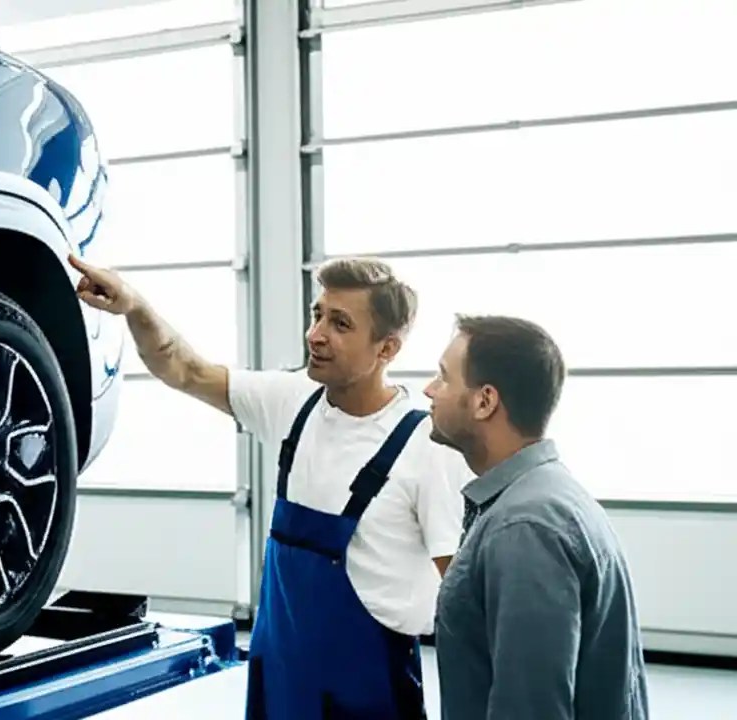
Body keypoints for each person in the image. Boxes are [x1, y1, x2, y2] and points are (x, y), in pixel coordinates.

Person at [69, 253, 470, 719]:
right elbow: (186, 370)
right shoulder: (292, 400)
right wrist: (135, 306)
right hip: (280, 679)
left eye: (340, 324)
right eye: (317, 315)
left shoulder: (428, 448)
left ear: (387, 349)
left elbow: (461, 598)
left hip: (371, 694)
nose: (316, 335)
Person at [423, 314, 648, 720]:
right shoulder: (541, 497)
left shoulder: (525, 528)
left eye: (443, 378)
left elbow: (530, 707)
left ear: (484, 401)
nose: (429, 390)